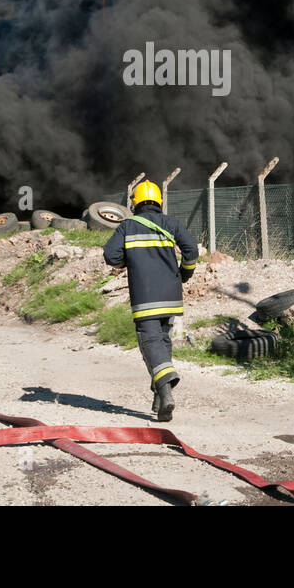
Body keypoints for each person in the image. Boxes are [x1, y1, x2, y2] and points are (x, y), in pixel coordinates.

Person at [102, 179, 199, 421]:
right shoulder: (171, 223)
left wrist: (129, 260)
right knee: (162, 341)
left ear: (134, 203)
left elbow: (110, 256)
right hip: (172, 297)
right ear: (159, 201)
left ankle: (166, 388)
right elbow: (192, 251)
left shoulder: (127, 227)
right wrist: (185, 273)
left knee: (150, 342)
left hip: (145, 297)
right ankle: (159, 397)